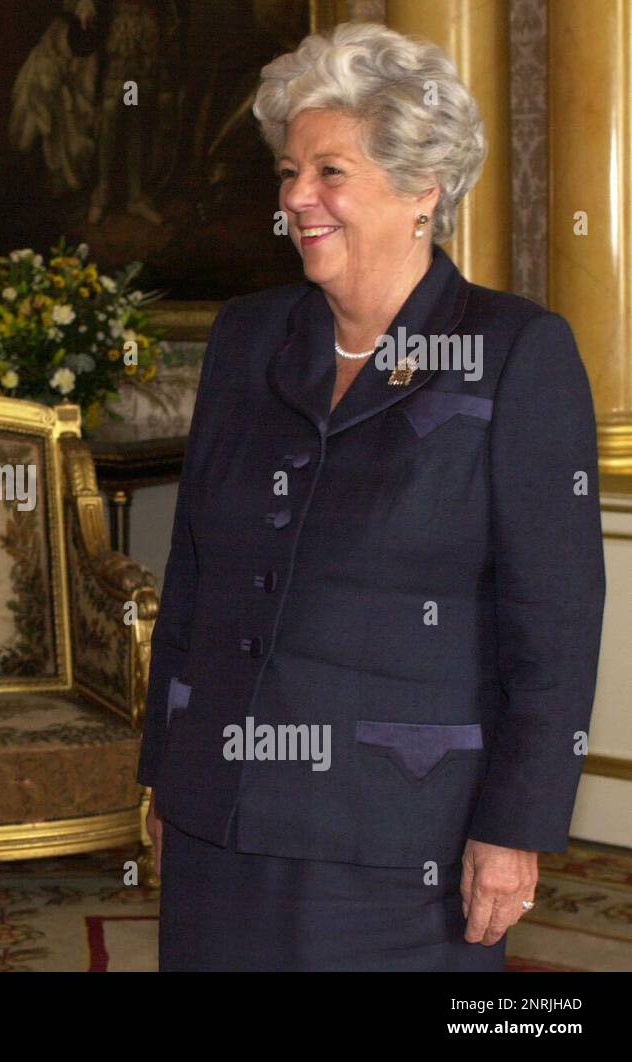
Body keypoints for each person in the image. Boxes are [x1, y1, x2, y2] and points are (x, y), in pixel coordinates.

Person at [138, 21, 605, 971]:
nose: (296, 199)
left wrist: (515, 828)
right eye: (288, 173)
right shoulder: (248, 337)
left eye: (329, 172)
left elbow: (554, 618)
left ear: (422, 189)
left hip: (400, 841)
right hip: (218, 820)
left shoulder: (516, 353)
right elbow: (192, 575)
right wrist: (164, 772)